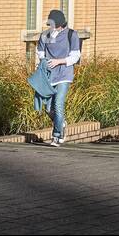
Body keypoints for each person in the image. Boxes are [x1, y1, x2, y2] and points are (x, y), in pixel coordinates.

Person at [34, 9, 81, 146]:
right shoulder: (45, 35)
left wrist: (58, 61)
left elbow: (75, 56)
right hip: (50, 74)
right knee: (48, 108)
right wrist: (45, 62)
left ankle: (57, 136)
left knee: (58, 104)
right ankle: (61, 123)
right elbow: (40, 52)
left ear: (61, 24)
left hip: (64, 73)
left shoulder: (72, 35)